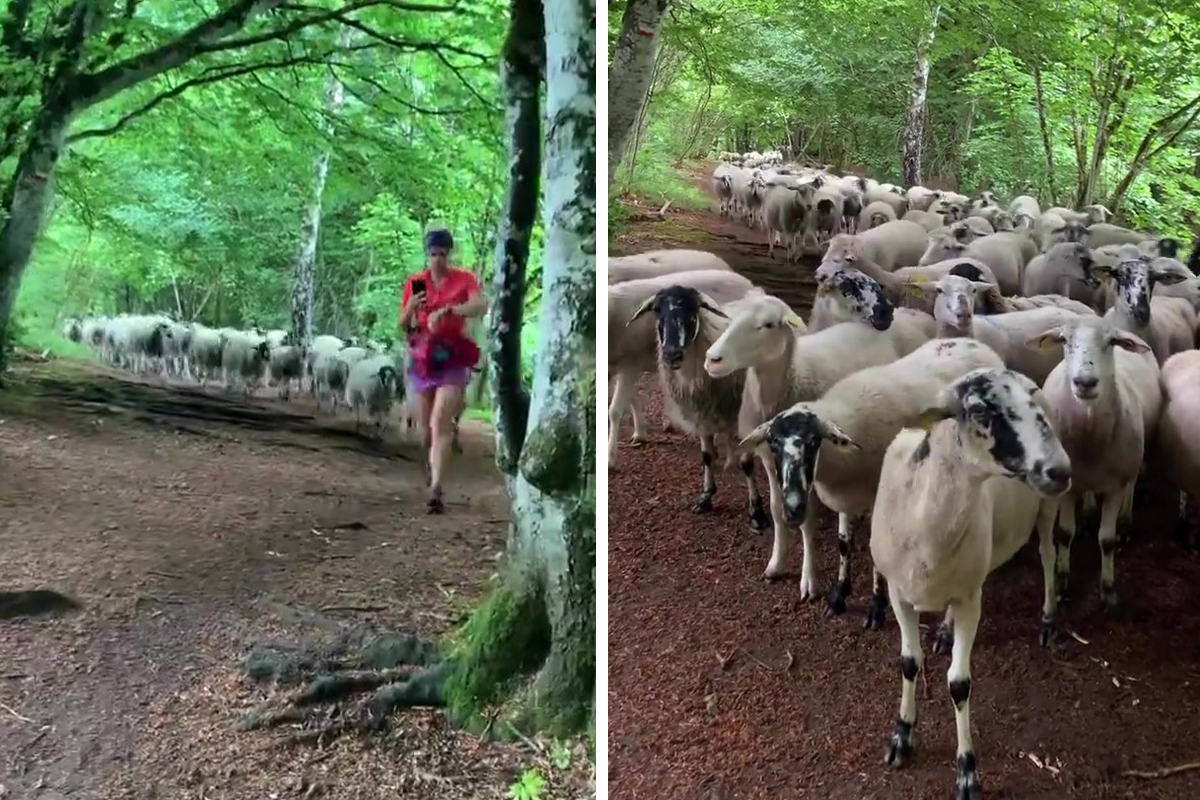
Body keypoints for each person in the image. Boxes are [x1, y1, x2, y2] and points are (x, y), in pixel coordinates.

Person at [399, 228, 487, 513]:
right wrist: (411, 308)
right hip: (424, 357)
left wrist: (451, 311)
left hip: (453, 356)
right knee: (426, 429)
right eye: (433, 254)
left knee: (441, 422)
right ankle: (431, 467)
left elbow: (480, 305)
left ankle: (436, 487)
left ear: (449, 253)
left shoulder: (464, 279)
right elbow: (405, 325)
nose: (437, 259)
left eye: (442, 253)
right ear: (427, 254)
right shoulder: (417, 283)